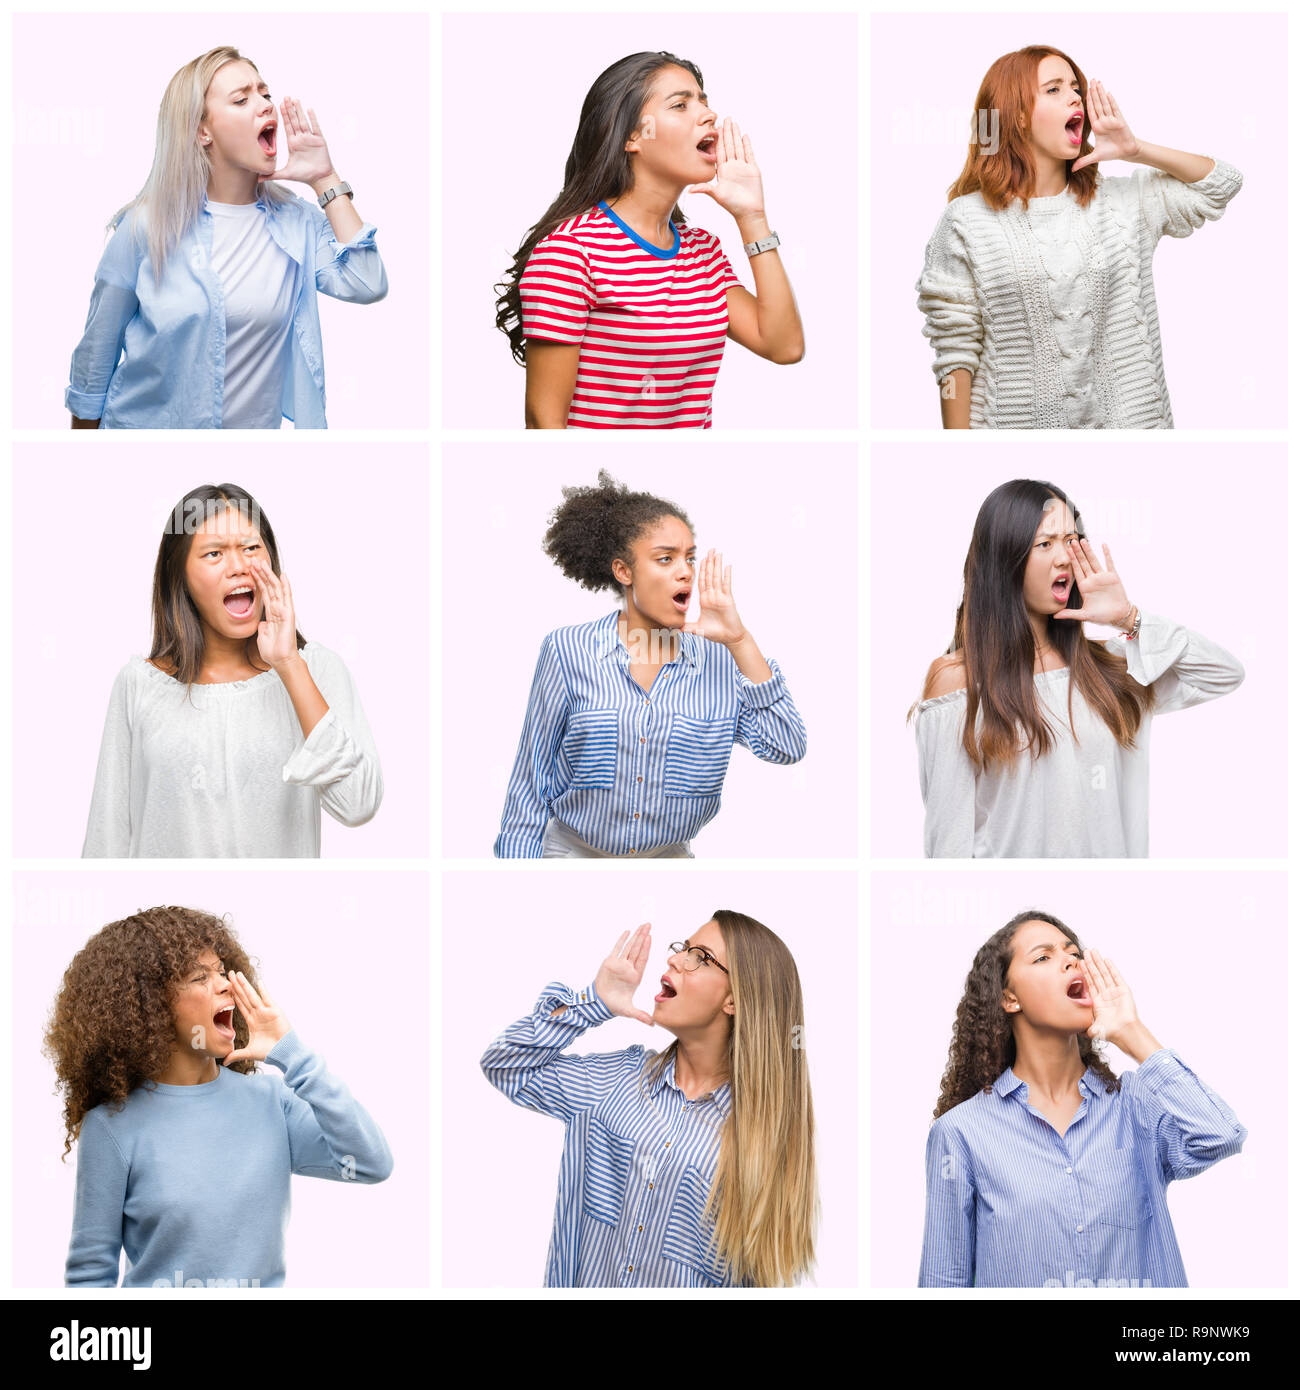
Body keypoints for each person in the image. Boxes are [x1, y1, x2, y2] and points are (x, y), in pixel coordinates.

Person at [46, 905, 393, 1287]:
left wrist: (293, 1055)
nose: (226, 984)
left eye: (223, 972)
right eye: (199, 977)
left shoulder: (270, 1102)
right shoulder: (112, 1126)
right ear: (151, 1007)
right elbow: (90, 1274)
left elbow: (370, 1163)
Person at [911, 479, 1243, 856]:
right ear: (1005, 559)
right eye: (1045, 544)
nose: (1066, 556)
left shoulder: (1110, 667)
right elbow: (948, 846)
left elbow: (1223, 673)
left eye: (1071, 539)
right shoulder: (958, 681)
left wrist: (1129, 619)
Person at [916, 46, 1242, 428]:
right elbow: (955, 351)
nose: (1075, 96)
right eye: (1053, 89)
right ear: (1017, 116)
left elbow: (1222, 183)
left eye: (1075, 86)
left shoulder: (1124, 204)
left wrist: (1135, 151)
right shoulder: (966, 219)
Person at [481, 916, 817, 1286]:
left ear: (735, 999)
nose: (674, 960)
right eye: (682, 948)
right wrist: (594, 1003)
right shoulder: (615, 1081)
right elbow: (505, 1064)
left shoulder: (761, 1140)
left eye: (699, 957)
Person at [919, 910, 1245, 1288]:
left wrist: (1130, 1032)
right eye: (1043, 957)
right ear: (1009, 998)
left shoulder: (1136, 1105)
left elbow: (1222, 1135)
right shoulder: (961, 1133)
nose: (1070, 960)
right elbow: (943, 1282)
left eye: (1073, 953)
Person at [66, 46, 386, 430]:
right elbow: (95, 361)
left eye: (264, 93)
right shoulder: (144, 227)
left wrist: (324, 178)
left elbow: (368, 282)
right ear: (202, 130)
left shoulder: (298, 225)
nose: (265, 105)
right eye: (241, 98)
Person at [495, 470, 806, 857]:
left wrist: (740, 642)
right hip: (571, 856)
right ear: (624, 572)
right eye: (665, 559)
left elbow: (787, 746)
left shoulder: (723, 662)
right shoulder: (567, 650)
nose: (685, 571)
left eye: (689, 558)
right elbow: (531, 780)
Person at [496, 51, 803, 428]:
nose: (708, 115)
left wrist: (752, 217)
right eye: (680, 104)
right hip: (602, 484)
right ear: (632, 137)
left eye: (703, 101)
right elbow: (544, 424)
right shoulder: (571, 253)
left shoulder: (702, 251)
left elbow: (784, 346)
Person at [83, 481, 382, 857]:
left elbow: (358, 805)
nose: (239, 566)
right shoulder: (140, 685)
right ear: (182, 576)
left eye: (251, 548)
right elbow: (106, 839)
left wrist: (288, 663)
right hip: (168, 915)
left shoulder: (316, 670)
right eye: (214, 554)